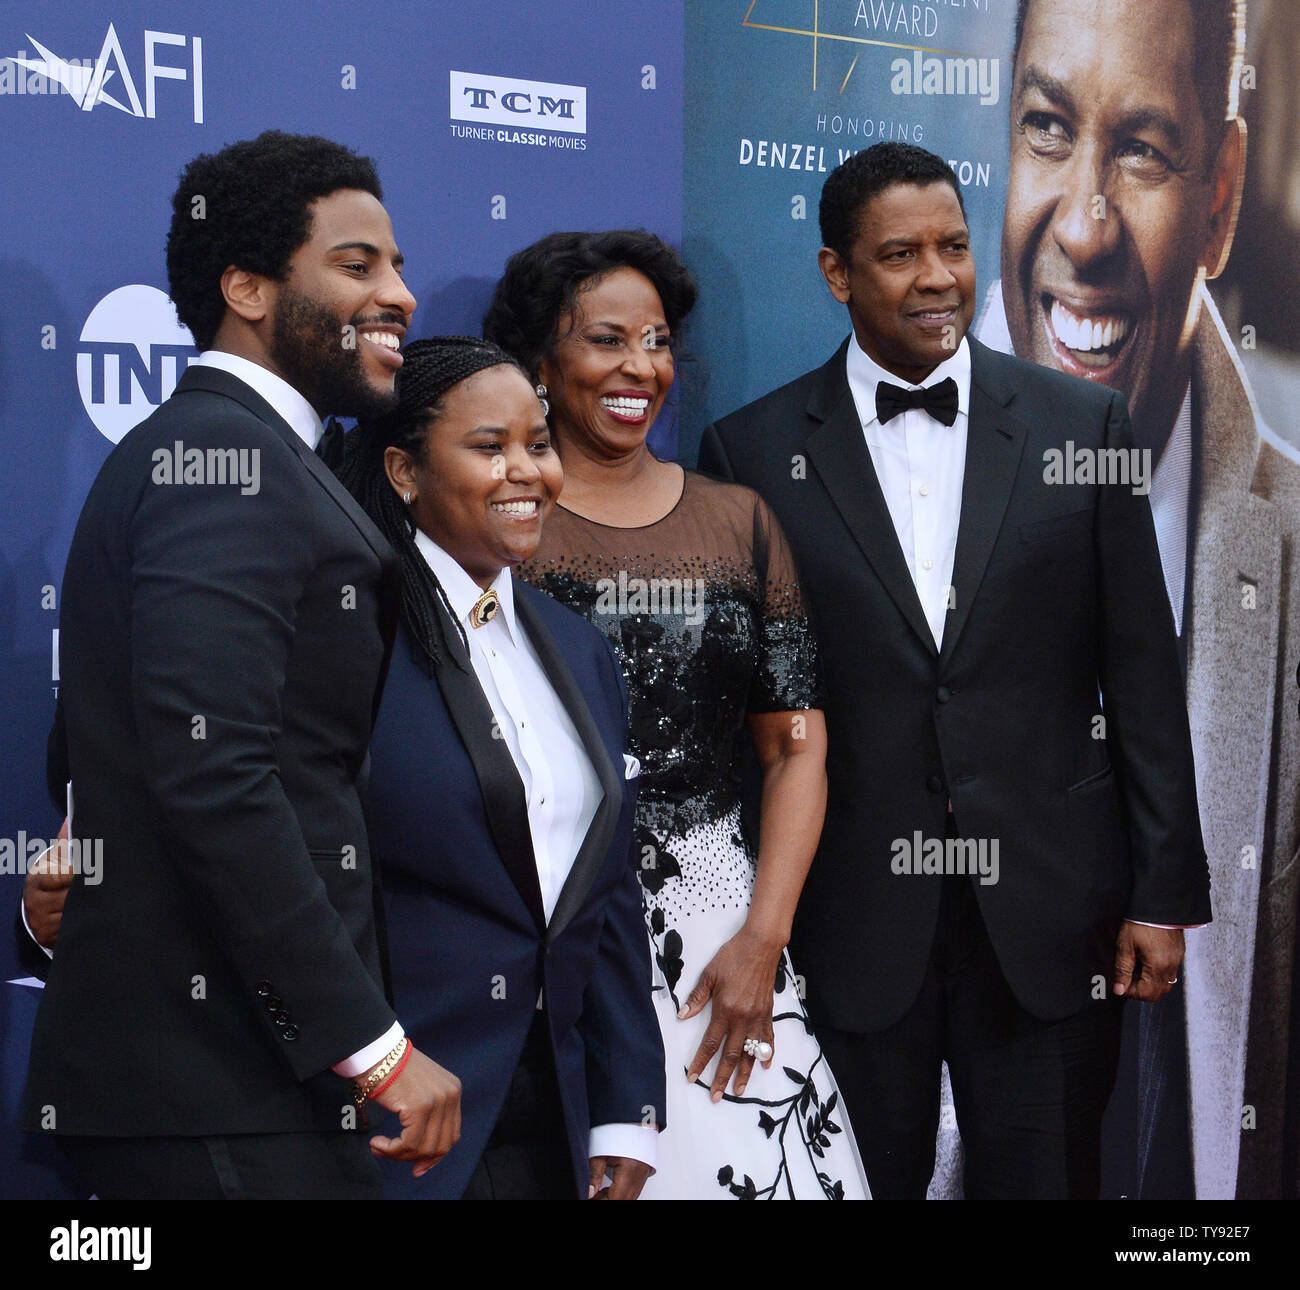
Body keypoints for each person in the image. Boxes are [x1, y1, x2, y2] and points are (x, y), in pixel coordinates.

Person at [697, 141, 1211, 1199]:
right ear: (837, 273)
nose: (938, 277)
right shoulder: (749, 452)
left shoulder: (1085, 423)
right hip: (849, 921)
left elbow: (1143, 673)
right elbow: (746, 721)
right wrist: (751, 921)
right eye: (899, 254)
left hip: (1047, 908)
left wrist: (1162, 892)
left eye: (953, 247)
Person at [22, 132, 460, 1200]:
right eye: (358, 265)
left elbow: (108, 740)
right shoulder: (228, 465)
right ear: (248, 286)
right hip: (214, 1087)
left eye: (397, 265)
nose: (399, 293)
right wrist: (371, 1043)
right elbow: (214, 773)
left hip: (228, 1083)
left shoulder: (235, 457)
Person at [980, 0, 1300, 1200]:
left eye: (1143, 151)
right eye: (1048, 129)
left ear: (1220, 197)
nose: (1083, 224)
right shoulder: (851, 489)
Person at [486, 231, 869, 1199]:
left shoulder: (739, 521)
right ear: (541, 363)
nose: (640, 368)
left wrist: (761, 939)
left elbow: (795, 749)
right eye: (606, 340)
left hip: (719, 938)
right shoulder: (494, 528)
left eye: (657, 342)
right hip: (550, 922)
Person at [337, 336, 665, 1200]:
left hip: (552, 1114)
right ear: (405, 472)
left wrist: (625, 1100)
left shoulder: (577, 645)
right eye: (490, 447)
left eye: (539, 443)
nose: (529, 472)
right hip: (404, 1122)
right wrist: (375, 1067)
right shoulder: (350, 638)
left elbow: (610, 888)